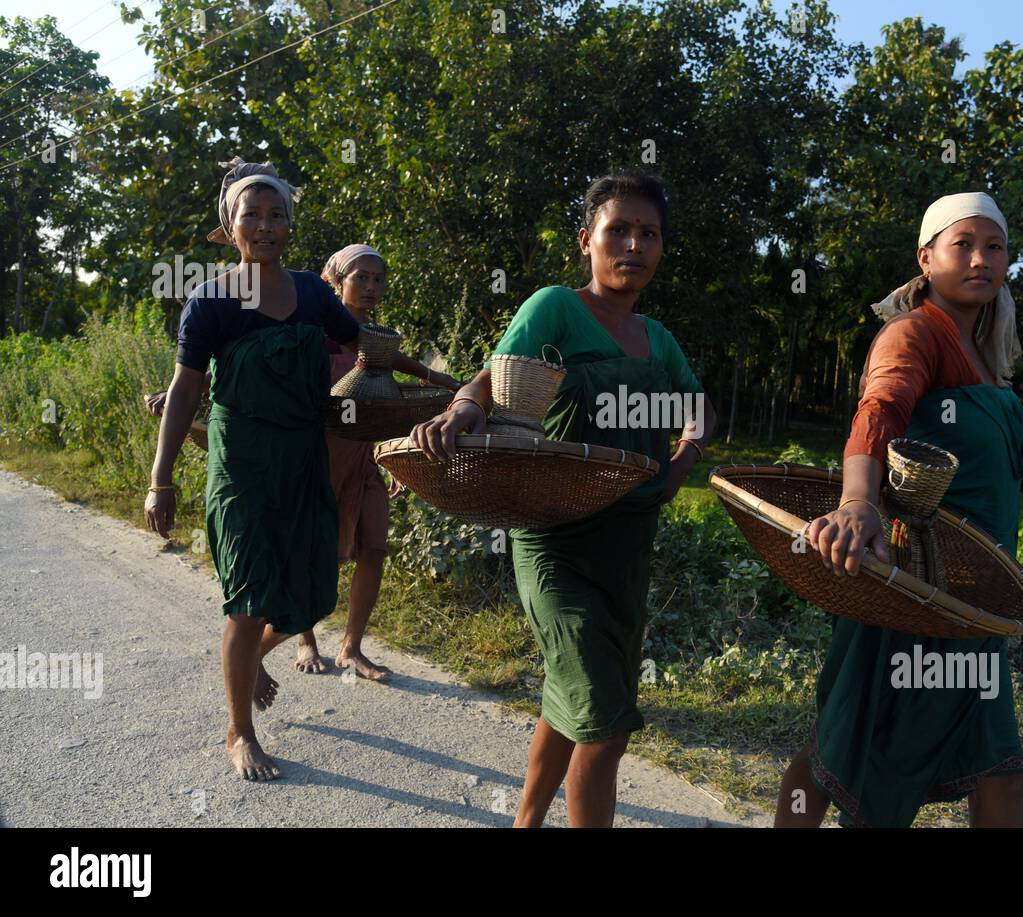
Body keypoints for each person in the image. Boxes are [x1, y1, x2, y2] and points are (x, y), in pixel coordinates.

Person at [410, 172, 716, 827]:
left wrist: (685, 458)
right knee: (604, 725)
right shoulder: (555, 308)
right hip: (557, 542)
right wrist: (460, 410)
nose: (634, 243)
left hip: (628, 548)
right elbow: (493, 378)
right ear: (586, 240)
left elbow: (699, 408)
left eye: (649, 233)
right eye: (619, 230)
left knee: (570, 699)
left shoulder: (658, 339)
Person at [145, 158, 439, 781]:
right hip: (244, 468)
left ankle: (253, 665)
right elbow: (184, 393)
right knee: (248, 599)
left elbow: (370, 346)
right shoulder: (212, 302)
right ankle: (239, 731)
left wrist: (441, 387)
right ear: (230, 225)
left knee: (307, 589)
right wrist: (160, 479)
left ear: (291, 224)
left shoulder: (310, 293)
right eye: (252, 214)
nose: (267, 225)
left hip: (305, 459)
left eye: (277, 214)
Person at [774, 191, 1023, 827]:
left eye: (993, 246)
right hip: (910, 588)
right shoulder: (914, 333)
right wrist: (858, 501)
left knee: (998, 768)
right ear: (926, 257)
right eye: (962, 244)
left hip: (971, 600)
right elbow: (879, 410)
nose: (980, 258)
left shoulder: (984, 352)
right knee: (852, 743)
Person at [292, 244, 460, 679]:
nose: (370, 287)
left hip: (363, 457)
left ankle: (351, 648)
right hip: (317, 455)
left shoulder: (377, 338)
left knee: (375, 547)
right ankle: (306, 639)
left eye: (378, 279)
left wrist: (432, 378)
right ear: (337, 280)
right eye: (360, 278)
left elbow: (381, 403)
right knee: (314, 550)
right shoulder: (312, 331)